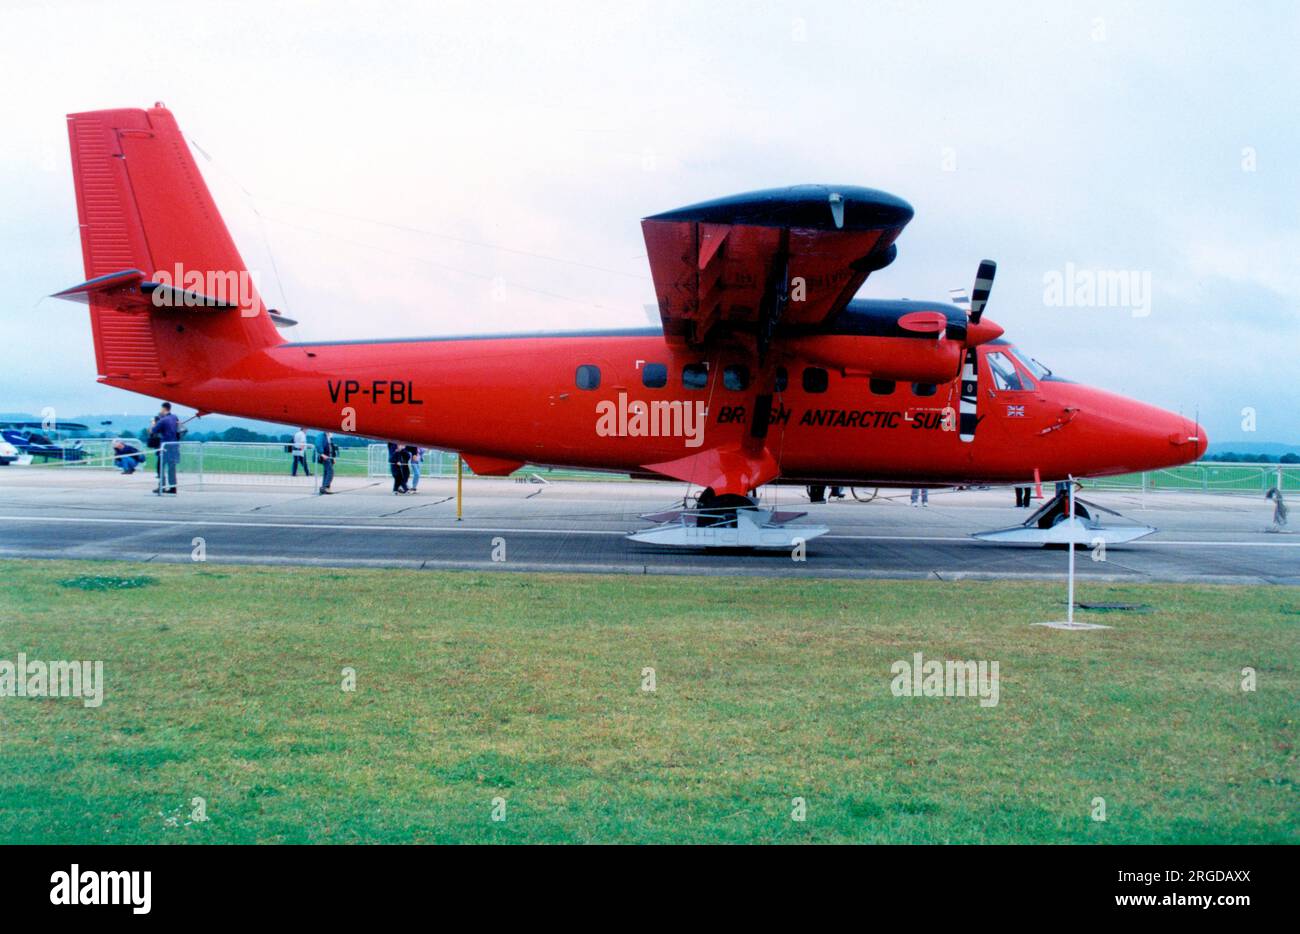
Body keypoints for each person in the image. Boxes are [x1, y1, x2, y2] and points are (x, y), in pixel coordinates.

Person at [153, 403, 180, 494]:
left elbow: (154, 431)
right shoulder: (174, 417)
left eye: (161, 409)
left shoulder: (163, 420)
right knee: (171, 467)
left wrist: (154, 422)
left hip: (165, 446)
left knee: (160, 466)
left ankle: (162, 486)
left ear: (164, 409)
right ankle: (173, 487)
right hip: (174, 445)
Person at [317, 430, 336, 494]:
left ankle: (324, 487)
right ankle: (325, 487)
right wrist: (322, 454)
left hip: (329, 457)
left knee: (326, 472)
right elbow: (318, 445)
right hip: (325, 456)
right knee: (330, 471)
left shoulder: (329, 436)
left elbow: (331, 447)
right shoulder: (321, 436)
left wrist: (333, 458)